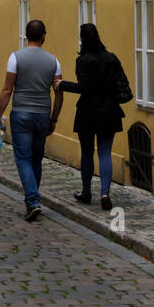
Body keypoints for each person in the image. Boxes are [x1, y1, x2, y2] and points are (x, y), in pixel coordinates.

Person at [0, 19, 63, 222]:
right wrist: (54, 118)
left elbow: (7, 89)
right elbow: (59, 93)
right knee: (36, 159)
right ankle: (32, 199)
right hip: (42, 114)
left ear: (26, 36)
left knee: (23, 158)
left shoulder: (15, 58)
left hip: (22, 113)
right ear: (44, 37)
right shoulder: (54, 61)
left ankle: (32, 201)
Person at [60, 23, 132, 211]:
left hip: (88, 111)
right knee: (105, 153)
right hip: (109, 110)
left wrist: (62, 85)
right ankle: (105, 194)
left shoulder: (83, 61)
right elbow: (122, 83)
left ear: (82, 39)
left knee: (87, 152)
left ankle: (86, 192)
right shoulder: (112, 58)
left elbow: (85, 88)